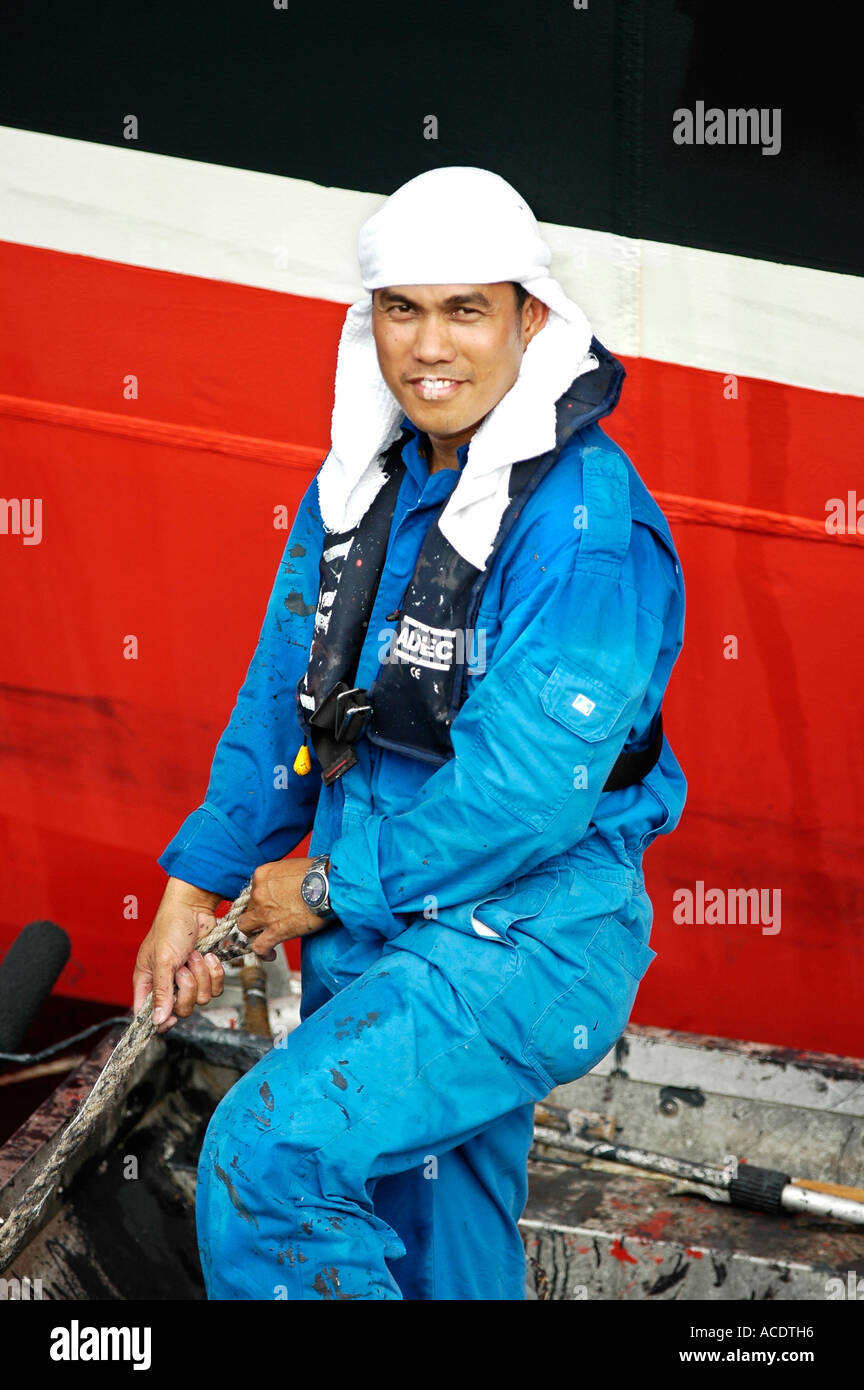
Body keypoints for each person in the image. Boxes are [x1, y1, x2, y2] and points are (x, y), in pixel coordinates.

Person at [132, 166, 686, 1301]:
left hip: (521, 937)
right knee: (430, 1238)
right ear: (369, 319)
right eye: (402, 308)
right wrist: (199, 881)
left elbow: (527, 799)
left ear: (530, 319)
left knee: (270, 1156)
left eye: (466, 310)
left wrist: (323, 887)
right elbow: (281, 701)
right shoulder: (361, 488)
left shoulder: (586, 530)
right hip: (384, 922)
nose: (428, 346)